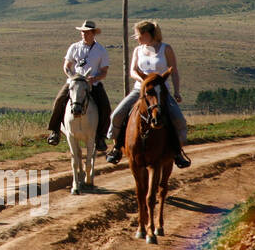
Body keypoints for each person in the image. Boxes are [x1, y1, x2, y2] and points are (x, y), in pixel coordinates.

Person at [105, 20, 191, 168]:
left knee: (178, 120)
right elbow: (132, 71)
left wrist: (176, 91)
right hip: (140, 90)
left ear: (146, 34)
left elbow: (174, 71)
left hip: (161, 91)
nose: (137, 38)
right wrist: (144, 80)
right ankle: (117, 147)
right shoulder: (138, 50)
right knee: (117, 115)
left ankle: (177, 152)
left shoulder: (166, 49)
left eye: (138, 35)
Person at [46, 19, 112, 153]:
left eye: (87, 32)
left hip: (93, 83)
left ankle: (100, 136)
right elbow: (67, 65)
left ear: (93, 33)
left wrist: (95, 78)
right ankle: (55, 131)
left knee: (105, 106)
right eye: (82, 32)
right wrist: (70, 75)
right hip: (75, 82)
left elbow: (104, 71)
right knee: (59, 100)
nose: (84, 34)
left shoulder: (100, 50)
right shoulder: (74, 47)